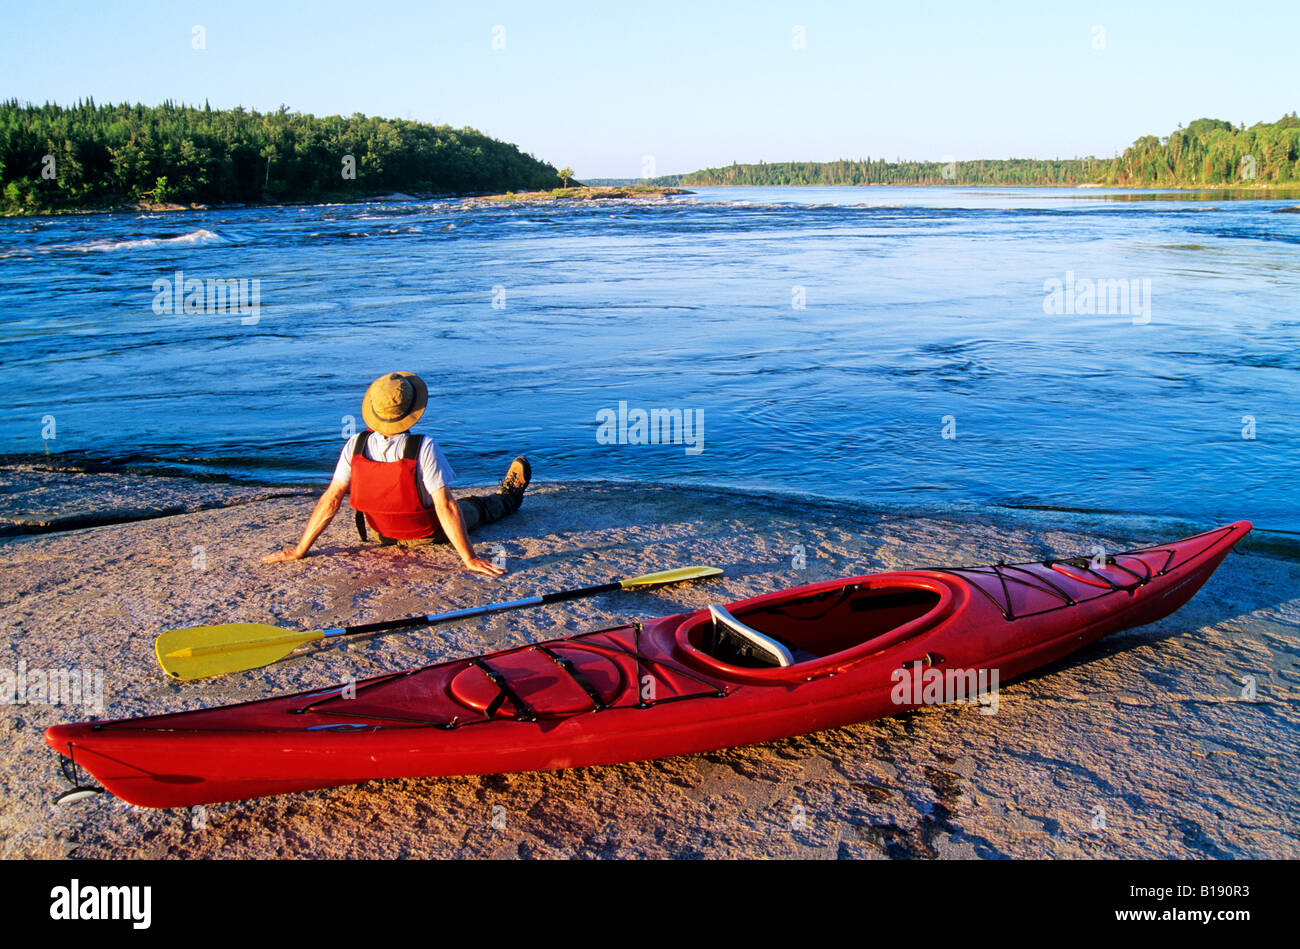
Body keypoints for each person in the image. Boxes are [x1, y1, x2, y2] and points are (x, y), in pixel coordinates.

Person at [263, 372, 530, 576]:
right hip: (426, 532)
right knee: (474, 506)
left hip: (382, 533)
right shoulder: (423, 446)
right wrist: (469, 559)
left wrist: (300, 550)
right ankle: (510, 496)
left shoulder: (355, 443)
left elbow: (331, 500)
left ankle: (501, 498)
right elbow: (446, 506)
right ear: (413, 412)